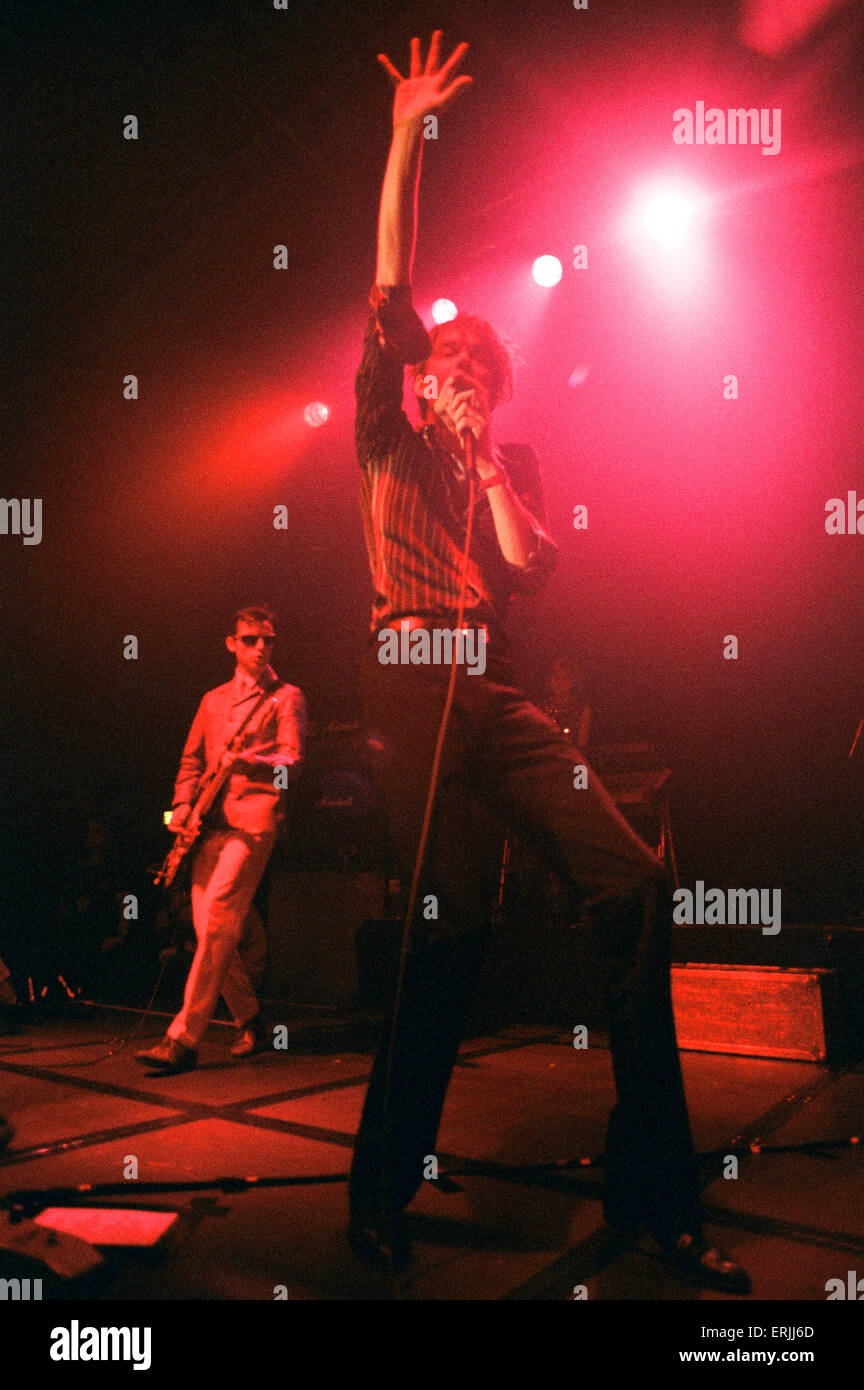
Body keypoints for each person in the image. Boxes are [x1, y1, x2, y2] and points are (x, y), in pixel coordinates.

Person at [349, 32, 749, 1293]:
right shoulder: (381, 431)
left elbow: (533, 568)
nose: (460, 369)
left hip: (499, 692)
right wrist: (410, 133)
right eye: (447, 362)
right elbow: (390, 278)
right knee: (444, 934)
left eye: (481, 367)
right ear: (420, 378)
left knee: (632, 882)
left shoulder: (500, 469)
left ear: (497, 391)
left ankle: (657, 1196)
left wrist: (485, 461)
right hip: (410, 680)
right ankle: (381, 1191)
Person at [136, 606, 306, 1074]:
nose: (260, 648)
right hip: (208, 826)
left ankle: (183, 1038)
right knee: (210, 928)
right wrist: (181, 808)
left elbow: (293, 762)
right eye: (250, 639)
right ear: (231, 642)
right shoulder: (212, 700)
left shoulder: (285, 697)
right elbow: (190, 761)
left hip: (254, 823)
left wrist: (252, 760)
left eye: (267, 640)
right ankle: (252, 1019)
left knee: (216, 926)